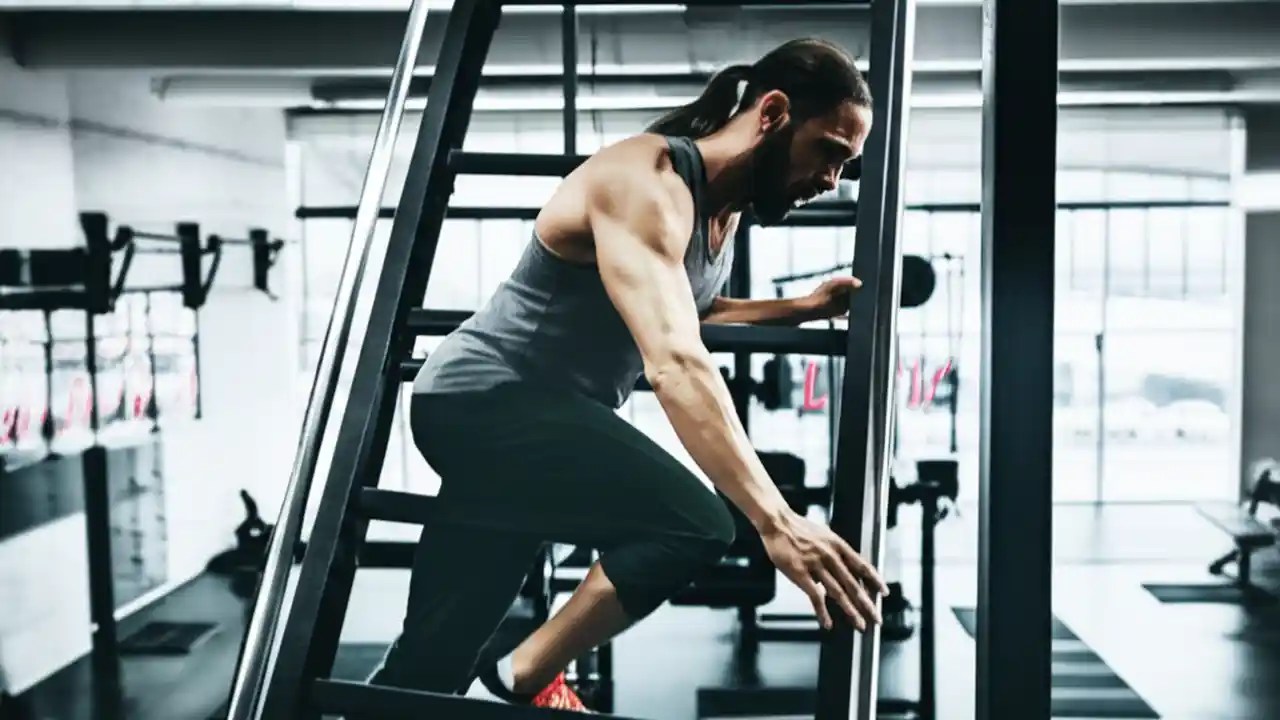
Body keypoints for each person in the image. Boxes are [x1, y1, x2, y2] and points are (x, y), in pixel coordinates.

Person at [370, 37, 887, 712]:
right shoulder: (646, 185)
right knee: (696, 523)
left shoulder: (718, 210)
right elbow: (673, 359)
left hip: (535, 426)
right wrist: (777, 519)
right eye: (829, 153)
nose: (833, 182)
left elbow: (686, 306)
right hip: (490, 402)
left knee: (431, 660)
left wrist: (799, 307)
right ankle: (525, 677)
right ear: (774, 112)